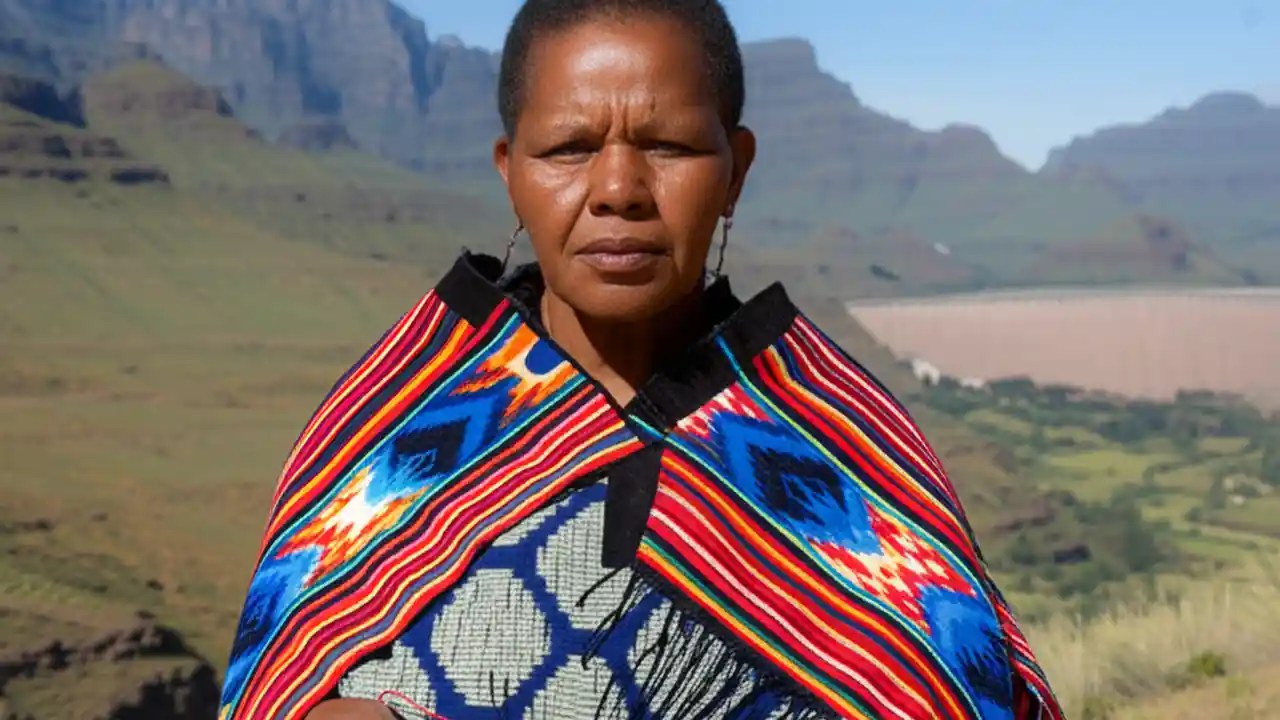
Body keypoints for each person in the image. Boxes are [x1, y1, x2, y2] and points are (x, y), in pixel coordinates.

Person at [218, 1, 1063, 718]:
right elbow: (280, 678)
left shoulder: (841, 450)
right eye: (569, 149)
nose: (618, 188)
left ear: (736, 171)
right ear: (510, 173)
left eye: (668, 147)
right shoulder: (395, 431)